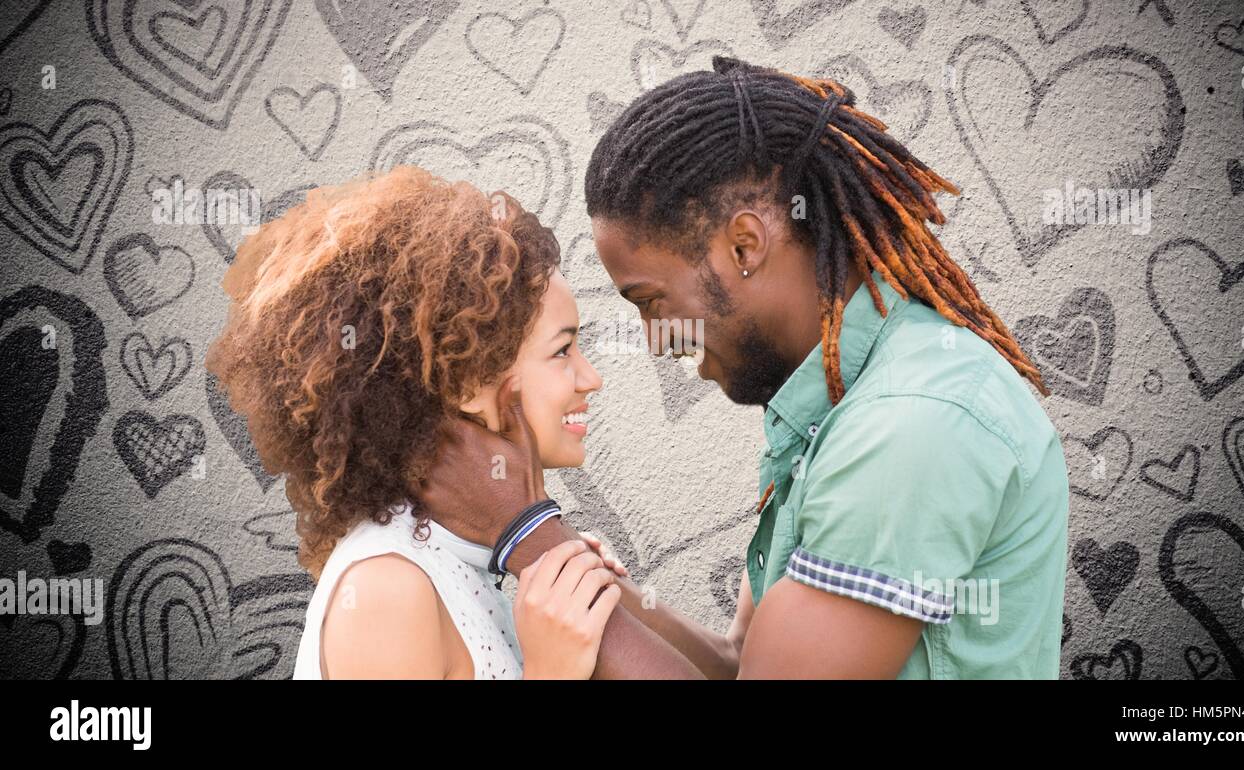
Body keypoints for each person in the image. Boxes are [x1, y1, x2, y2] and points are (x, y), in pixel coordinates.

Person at [419, 57, 1071, 679]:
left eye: (652, 302)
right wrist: (590, 580)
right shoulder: (835, 405)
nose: (657, 342)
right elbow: (741, 665)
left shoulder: (913, 425)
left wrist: (527, 535)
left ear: (745, 244)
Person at [206, 166, 625, 679]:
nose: (591, 378)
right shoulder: (387, 590)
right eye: (563, 350)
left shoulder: (461, 558)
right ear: (469, 380)